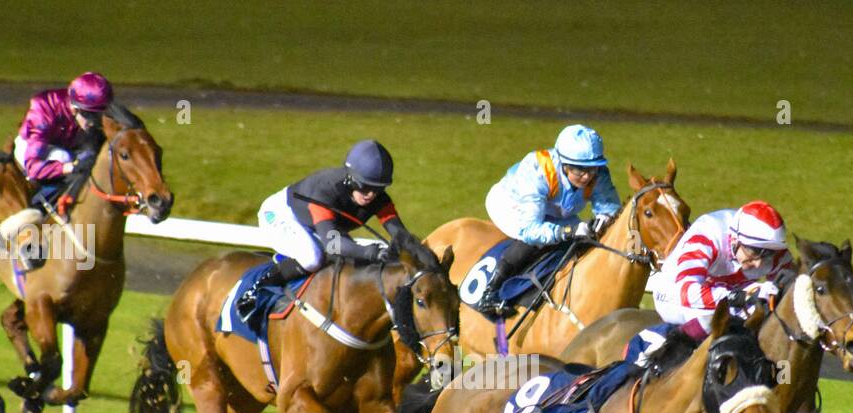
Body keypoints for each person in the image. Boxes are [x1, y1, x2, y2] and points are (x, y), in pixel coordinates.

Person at [240, 139, 436, 305]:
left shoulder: (378, 198)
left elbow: (400, 234)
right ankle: (258, 288)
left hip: (317, 225)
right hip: (281, 215)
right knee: (312, 258)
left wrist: (426, 260)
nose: (371, 195)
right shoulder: (326, 191)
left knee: (350, 264)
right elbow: (333, 244)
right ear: (351, 178)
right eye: (365, 186)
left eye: (378, 188)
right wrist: (373, 252)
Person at [477, 124, 621, 316]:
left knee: (587, 241)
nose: (587, 176)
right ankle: (490, 291)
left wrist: (603, 221)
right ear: (564, 163)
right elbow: (530, 230)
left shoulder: (598, 174)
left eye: (592, 168)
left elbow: (610, 209)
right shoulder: (538, 170)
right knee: (534, 243)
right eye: (580, 170)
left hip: (555, 212)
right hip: (512, 206)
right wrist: (567, 231)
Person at [646, 201, 796, 342]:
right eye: (754, 251)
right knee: (715, 320)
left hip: (728, 295)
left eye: (767, 254)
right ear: (735, 239)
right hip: (675, 295)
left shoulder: (776, 252)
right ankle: (658, 350)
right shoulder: (707, 234)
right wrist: (740, 296)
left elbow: (791, 293)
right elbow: (687, 292)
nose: (758, 263)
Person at [14, 72, 114, 214]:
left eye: (99, 115)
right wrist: (71, 167)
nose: (94, 122)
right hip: (32, 150)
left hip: (67, 146)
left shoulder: (88, 113)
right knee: (63, 157)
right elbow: (33, 167)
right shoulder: (44, 109)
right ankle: (35, 212)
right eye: (90, 115)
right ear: (74, 109)